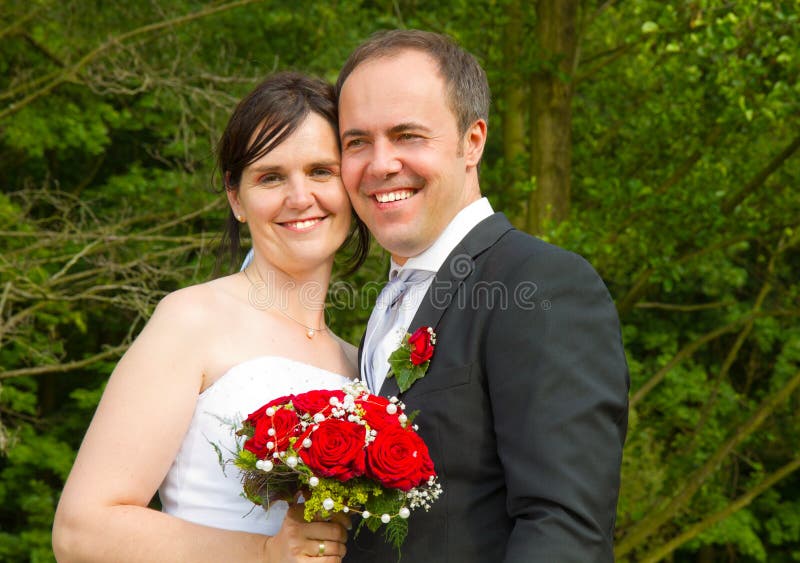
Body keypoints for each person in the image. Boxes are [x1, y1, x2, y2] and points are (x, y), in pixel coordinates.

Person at [336, 30, 629, 562]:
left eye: (407, 135)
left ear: (473, 141)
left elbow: (562, 530)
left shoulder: (540, 284)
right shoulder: (387, 303)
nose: (379, 164)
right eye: (357, 141)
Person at [52, 72, 367, 562]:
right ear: (236, 198)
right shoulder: (193, 319)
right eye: (271, 176)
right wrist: (263, 553)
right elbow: (81, 531)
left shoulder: (360, 363)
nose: (299, 197)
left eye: (321, 171)